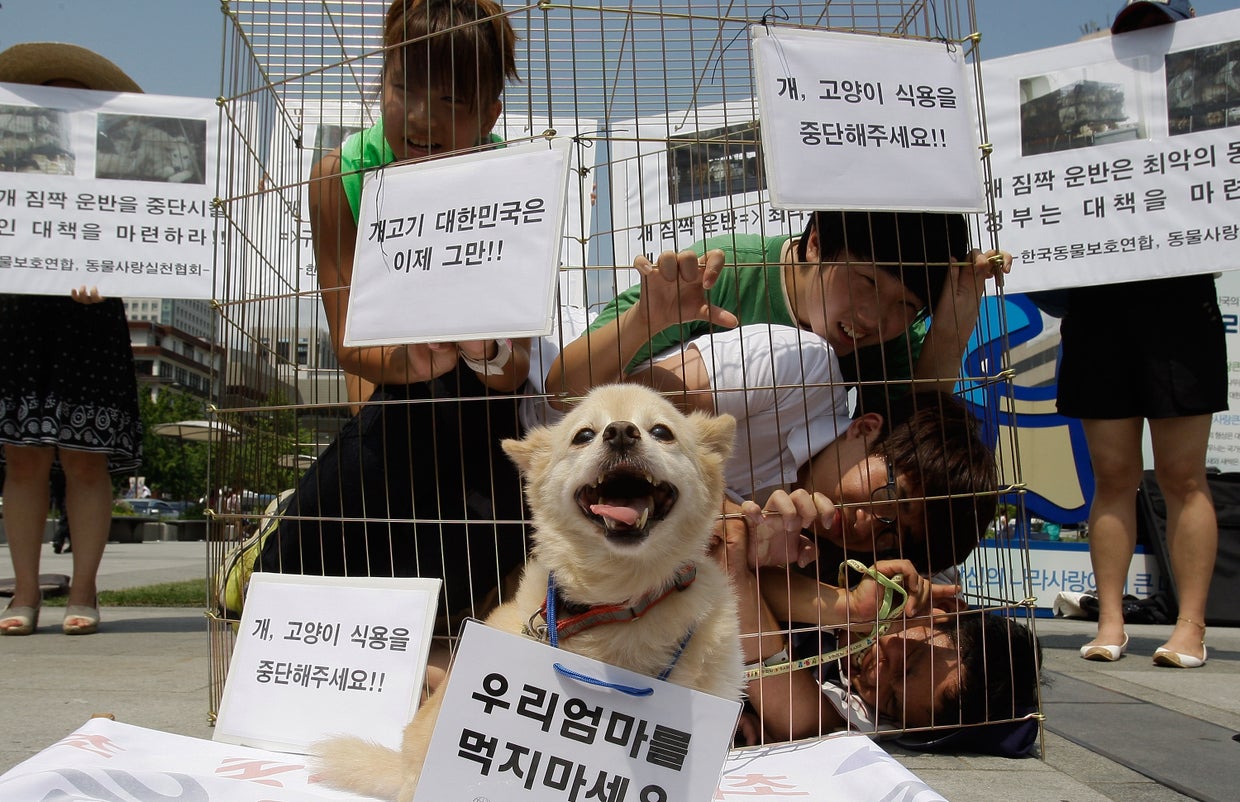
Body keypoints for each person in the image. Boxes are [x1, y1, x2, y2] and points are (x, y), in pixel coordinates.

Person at [259, 0, 532, 640]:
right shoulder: (340, 175)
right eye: (402, 88)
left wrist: (481, 348)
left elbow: (514, 366)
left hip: (480, 421)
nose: (420, 117)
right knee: (313, 546)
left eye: (450, 101)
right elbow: (352, 346)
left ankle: (443, 636)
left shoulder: (512, 183)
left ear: (491, 113)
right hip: (392, 408)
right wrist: (405, 362)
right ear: (378, 82)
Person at [1064, 0, 1221, 669]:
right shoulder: (1081, 94)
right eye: (1131, 28)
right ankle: (1109, 618)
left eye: (1158, 25)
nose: (1141, 40)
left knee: (1183, 475)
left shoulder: (1209, 93)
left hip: (1180, 300)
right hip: (1098, 303)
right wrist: (1085, 69)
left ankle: (1191, 625)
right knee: (1113, 475)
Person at [545, 210, 1009, 417]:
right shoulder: (717, 273)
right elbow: (562, 392)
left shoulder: (891, 338)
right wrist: (642, 322)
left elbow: (907, 458)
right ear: (816, 244)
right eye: (865, 282)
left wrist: (950, 329)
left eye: (905, 306)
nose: (873, 316)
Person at [0, 44, 144, 636]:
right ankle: (25, 593)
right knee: (23, 455)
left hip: (91, 313)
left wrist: (109, 275)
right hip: (16, 312)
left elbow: (148, 234)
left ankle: (83, 589)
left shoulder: (119, 161)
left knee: (87, 459)